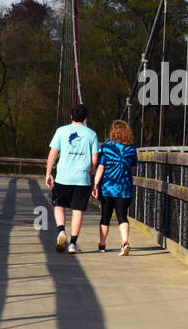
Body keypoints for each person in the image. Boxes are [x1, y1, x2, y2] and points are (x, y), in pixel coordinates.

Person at [45, 103, 99, 254]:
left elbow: (52, 154)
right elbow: (94, 160)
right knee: (77, 210)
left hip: (63, 176)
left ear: (71, 116)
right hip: (82, 178)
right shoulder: (92, 134)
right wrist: (89, 173)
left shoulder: (61, 131)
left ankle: (61, 231)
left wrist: (49, 173)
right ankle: (73, 244)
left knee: (59, 205)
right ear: (85, 117)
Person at [92, 119, 138, 255]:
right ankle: (125, 242)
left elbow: (100, 167)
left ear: (113, 132)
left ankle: (102, 245)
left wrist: (95, 184)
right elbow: (133, 167)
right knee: (122, 216)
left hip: (107, 188)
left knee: (105, 217)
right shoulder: (131, 148)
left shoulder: (106, 148)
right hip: (124, 188)